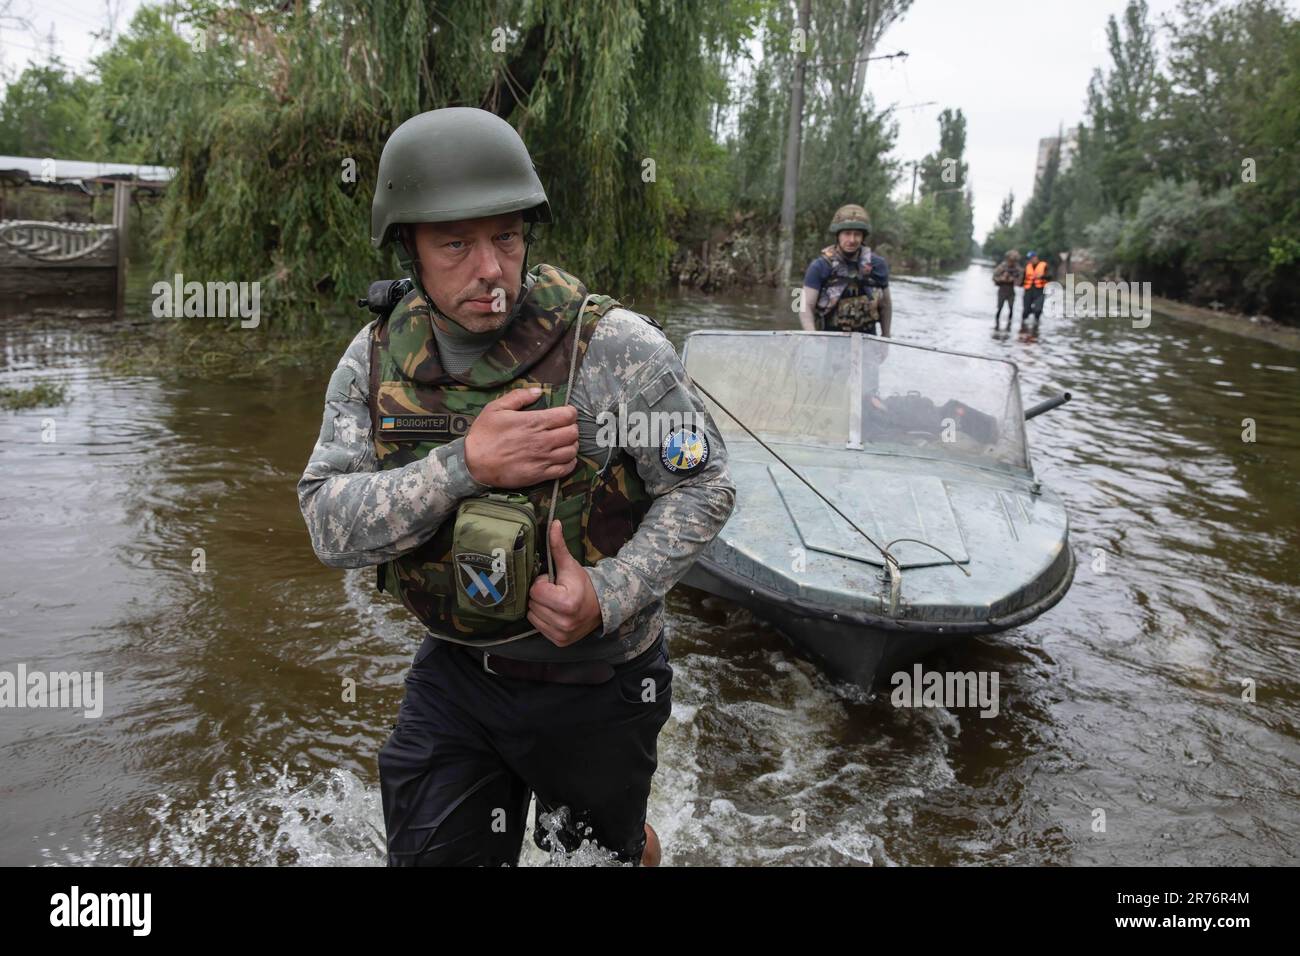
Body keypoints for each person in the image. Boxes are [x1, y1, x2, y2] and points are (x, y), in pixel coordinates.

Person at [297, 107, 736, 867]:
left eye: (505, 236)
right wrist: (465, 464)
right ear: (410, 246)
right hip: (457, 675)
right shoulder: (375, 358)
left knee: (598, 858)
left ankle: (636, 846)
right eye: (455, 243)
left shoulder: (616, 350)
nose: (490, 269)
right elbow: (327, 524)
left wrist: (609, 593)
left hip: (600, 682)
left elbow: (704, 488)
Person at [799, 203, 893, 337]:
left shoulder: (878, 265)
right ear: (838, 235)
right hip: (829, 342)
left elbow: (886, 305)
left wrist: (886, 337)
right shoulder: (819, 266)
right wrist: (811, 335)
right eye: (847, 234)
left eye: (857, 235)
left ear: (863, 237)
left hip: (869, 343)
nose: (852, 240)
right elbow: (803, 306)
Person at [992, 248, 1021, 329]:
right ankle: (997, 324)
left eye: (1014, 260)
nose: (1012, 262)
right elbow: (994, 277)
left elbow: (1020, 280)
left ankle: (1009, 325)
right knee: (999, 308)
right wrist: (1002, 278)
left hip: (1011, 290)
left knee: (1011, 308)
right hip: (1002, 289)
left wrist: (1014, 280)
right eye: (1011, 259)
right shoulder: (1002, 267)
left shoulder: (1017, 268)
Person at [1021, 249, 1048, 329]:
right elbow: (1023, 278)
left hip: (1040, 290)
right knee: (1026, 311)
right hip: (1028, 290)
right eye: (1029, 259)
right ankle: (1023, 327)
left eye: (1031, 258)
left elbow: (1051, 276)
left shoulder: (1044, 265)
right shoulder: (1027, 266)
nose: (1030, 260)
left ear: (1036, 257)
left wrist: (1042, 276)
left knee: (1038, 309)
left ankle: (1036, 326)